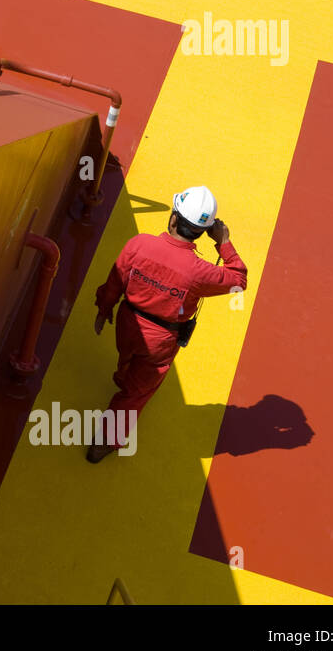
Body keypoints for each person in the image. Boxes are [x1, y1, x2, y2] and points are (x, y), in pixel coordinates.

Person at [87, 186, 248, 462]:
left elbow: (115, 280)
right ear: (202, 231)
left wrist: (104, 308)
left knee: (127, 356)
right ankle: (104, 441)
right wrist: (223, 242)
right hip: (160, 341)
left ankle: (124, 373)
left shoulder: (139, 244)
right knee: (138, 393)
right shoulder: (200, 272)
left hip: (127, 324)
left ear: (173, 219)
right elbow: (238, 281)